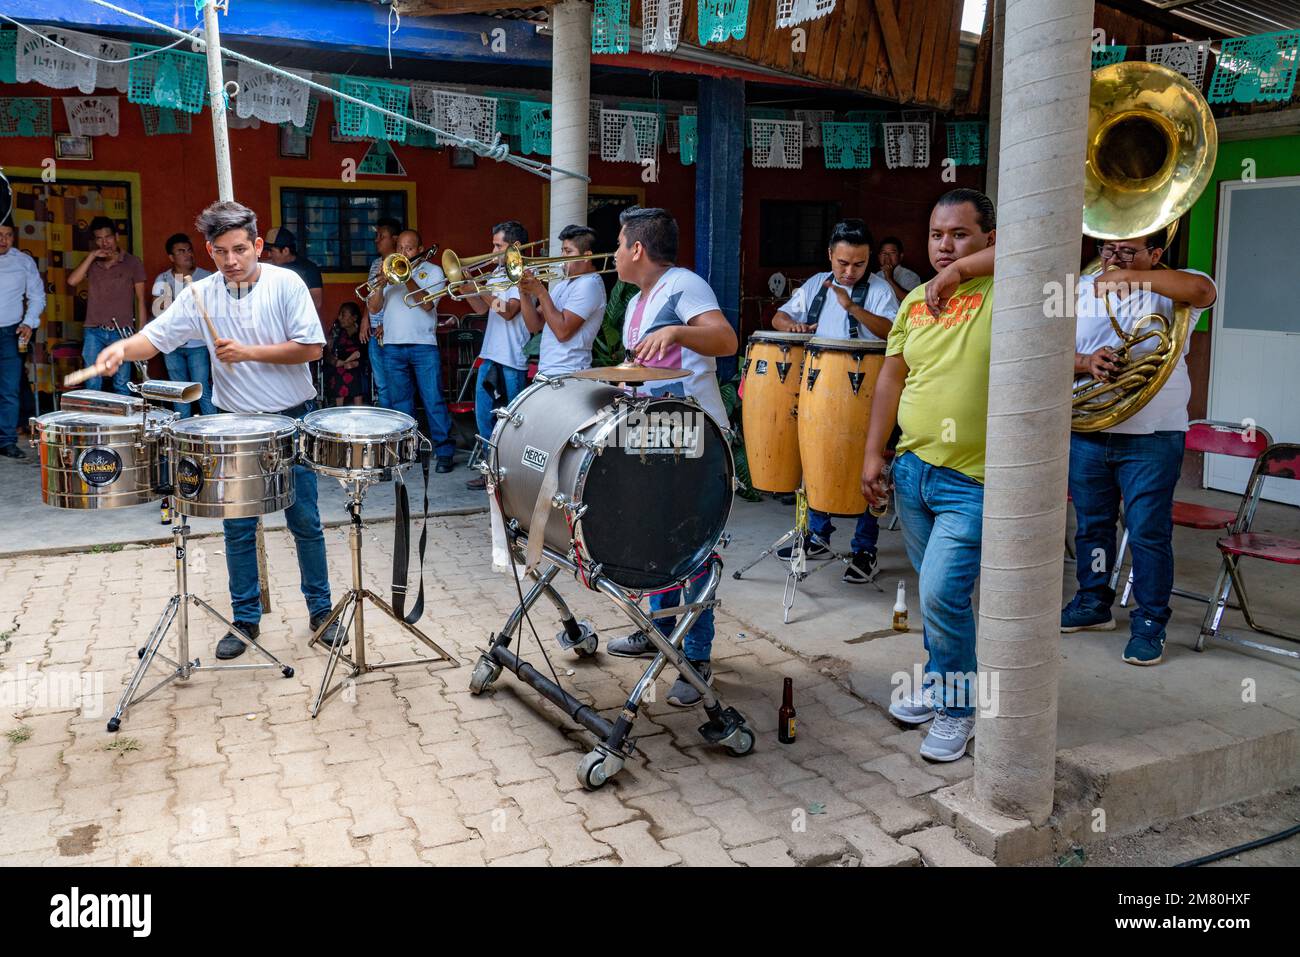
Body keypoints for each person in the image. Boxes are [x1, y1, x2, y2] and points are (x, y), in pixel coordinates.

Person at [94, 200, 343, 659]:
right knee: (238, 526)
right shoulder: (201, 294)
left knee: (304, 521)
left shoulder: (286, 284)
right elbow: (158, 336)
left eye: (241, 250)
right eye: (222, 252)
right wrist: (121, 349)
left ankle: (321, 613)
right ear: (209, 251)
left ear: (258, 246)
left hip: (290, 417)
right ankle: (245, 618)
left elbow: (311, 349)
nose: (232, 261)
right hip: (233, 423)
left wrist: (248, 352)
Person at [862, 188, 997, 763]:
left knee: (943, 591)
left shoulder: (1006, 285)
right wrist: (875, 454)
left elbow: (1044, 250)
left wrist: (960, 273)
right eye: (938, 235)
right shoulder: (914, 300)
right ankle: (945, 682)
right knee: (938, 596)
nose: (945, 246)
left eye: (960, 234)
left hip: (975, 478)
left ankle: (959, 709)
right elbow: (892, 379)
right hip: (915, 470)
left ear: (989, 239)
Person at [603, 206, 739, 708]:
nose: (614, 254)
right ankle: (655, 632)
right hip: (654, 434)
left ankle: (696, 656)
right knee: (652, 538)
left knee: (692, 547)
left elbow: (725, 339)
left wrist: (681, 332)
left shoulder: (686, 285)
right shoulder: (640, 299)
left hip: (692, 437)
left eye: (618, 244)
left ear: (637, 249)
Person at [1062, 233, 1217, 666]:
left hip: (1154, 435)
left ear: (1155, 255)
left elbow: (1204, 291)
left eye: (1127, 251)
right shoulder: (1081, 288)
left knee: (1148, 532)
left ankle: (1151, 620)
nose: (1113, 258)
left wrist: (1131, 277)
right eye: (1107, 250)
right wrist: (1086, 362)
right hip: (1089, 428)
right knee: (1092, 527)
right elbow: (1051, 347)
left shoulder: (1176, 287)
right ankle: (1094, 603)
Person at [771, 218, 899, 583]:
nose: (849, 271)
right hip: (819, 389)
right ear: (830, 255)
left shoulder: (878, 291)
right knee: (817, 458)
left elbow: (892, 331)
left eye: (858, 264)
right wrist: (792, 327)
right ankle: (817, 535)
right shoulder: (815, 285)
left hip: (867, 392)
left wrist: (852, 308)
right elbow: (780, 317)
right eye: (842, 263)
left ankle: (864, 549)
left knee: (869, 469)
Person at [366, 228, 456, 471]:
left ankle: (445, 451)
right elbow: (374, 309)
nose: (402, 252)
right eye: (400, 248)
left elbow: (427, 305)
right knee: (400, 402)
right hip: (393, 346)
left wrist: (406, 279)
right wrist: (380, 286)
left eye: (408, 248)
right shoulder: (389, 271)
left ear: (418, 249)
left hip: (423, 346)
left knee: (433, 399)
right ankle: (407, 451)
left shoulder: (434, 271)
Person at [463, 220, 530, 491]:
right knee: (484, 416)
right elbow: (482, 309)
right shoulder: (496, 274)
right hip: (490, 353)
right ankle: (490, 469)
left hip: (513, 357)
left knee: (511, 420)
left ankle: (511, 476)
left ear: (514, 247)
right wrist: (468, 286)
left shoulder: (522, 273)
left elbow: (509, 310)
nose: (492, 251)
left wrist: (485, 292)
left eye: (497, 246)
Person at [66, 216, 146, 394]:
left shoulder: (132, 262)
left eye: (108, 237)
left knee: (122, 382)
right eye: (99, 239)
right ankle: (95, 421)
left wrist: (141, 332)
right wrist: (92, 256)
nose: (105, 243)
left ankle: (122, 422)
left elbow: (140, 299)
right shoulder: (93, 263)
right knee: (93, 382)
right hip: (94, 330)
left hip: (122, 331)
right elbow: (72, 281)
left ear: (117, 236)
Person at [517, 224, 608, 377]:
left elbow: (563, 332)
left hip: (570, 373)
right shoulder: (564, 283)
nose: (562, 256)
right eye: (562, 250)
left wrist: (541, 292)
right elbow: (534, 325)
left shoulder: (589, 284)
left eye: (568, 251)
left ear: (586, 256)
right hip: (550, 370)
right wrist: (523, 292)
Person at [151, 232, 215, 417]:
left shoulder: (206, 277)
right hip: (172, 345)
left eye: (189, 250)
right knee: (179, 393)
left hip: (198, 345)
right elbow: (158, 312)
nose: (188, 254)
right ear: (171, 257)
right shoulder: (162, 280)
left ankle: (213, 432)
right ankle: (181, 436)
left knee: (202, 390)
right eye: (181, 251)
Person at [0, 220, 45, 460]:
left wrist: (29, 322)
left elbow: (37, 296)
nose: (3, 239)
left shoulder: (22, 262)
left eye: (8, 235)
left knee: (9, 390)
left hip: (10, 333)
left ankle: (6, 441)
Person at [362, 217, 402, 407]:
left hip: (391, 333)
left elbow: (404, 301)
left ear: (394, 239)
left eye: (381, 236)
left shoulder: (402, 266)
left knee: (397, 385)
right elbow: (371, 296)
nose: (376, 240)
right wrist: (365, 319)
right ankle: (388, 427)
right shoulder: (376, 264)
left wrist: (387, 325)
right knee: (382, 385)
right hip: (374, 334)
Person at [324, 301, 370, 406]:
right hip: (339, 365)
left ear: (354, 318)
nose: (340, 317)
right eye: (339, 314)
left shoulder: (362, 331)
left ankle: (359, 407)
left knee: (355, 371)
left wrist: (354, 363)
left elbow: (363, 353)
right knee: (339, 371)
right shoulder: (336, 329)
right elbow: (327, 353)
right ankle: (338, 408)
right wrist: (335, 362)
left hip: (358, 364)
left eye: (343, 315)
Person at [873, 236, 923, 302]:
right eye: (884, 253)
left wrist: (889, 279)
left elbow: (911, 302)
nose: (887, 256)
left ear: (900, 256)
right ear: (879, 257)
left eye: (892, 253)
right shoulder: (875, 277)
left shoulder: (911, 276)